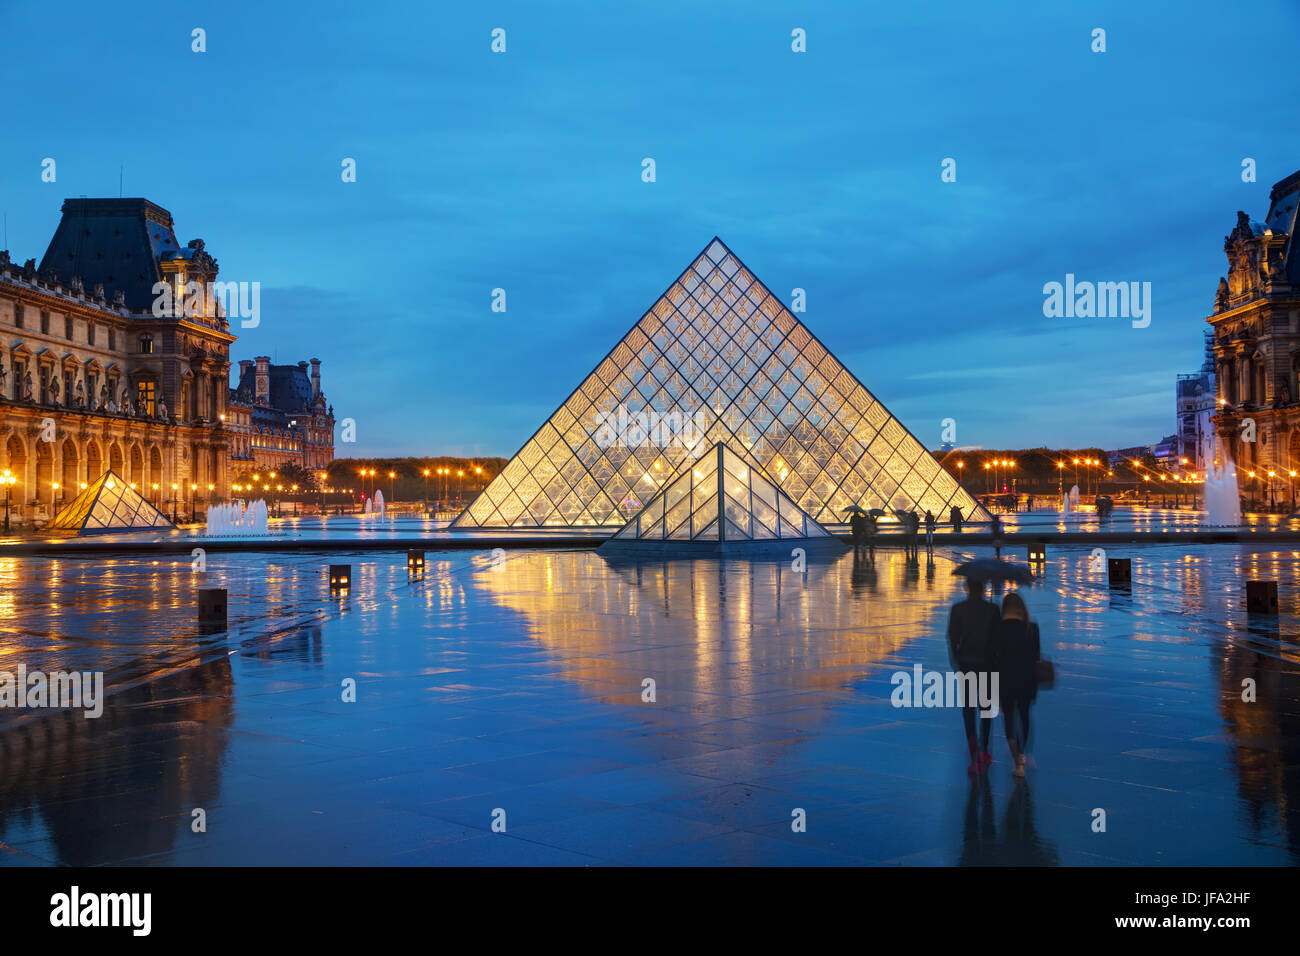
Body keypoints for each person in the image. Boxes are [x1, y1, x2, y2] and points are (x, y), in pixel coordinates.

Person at [947, 577, 999, 775]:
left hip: (966, 664)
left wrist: (956, 660)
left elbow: (952, 637)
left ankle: (974, 753)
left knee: (968, 710)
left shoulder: (958, 609)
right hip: (988, 664)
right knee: (986, 710)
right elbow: (998, 639)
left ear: (966, 587)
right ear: (984, 587)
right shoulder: (993, 610)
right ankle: (985, 749)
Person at [991, 592, 1040, 778]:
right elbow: (1036, 657)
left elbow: (994, 657)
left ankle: (1017, 760)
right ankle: (1022, 753)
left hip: (1005, 679)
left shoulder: (997, 628)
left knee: (1009, 717)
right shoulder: (1031, 628)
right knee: (1025, 715)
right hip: (1027, 679)